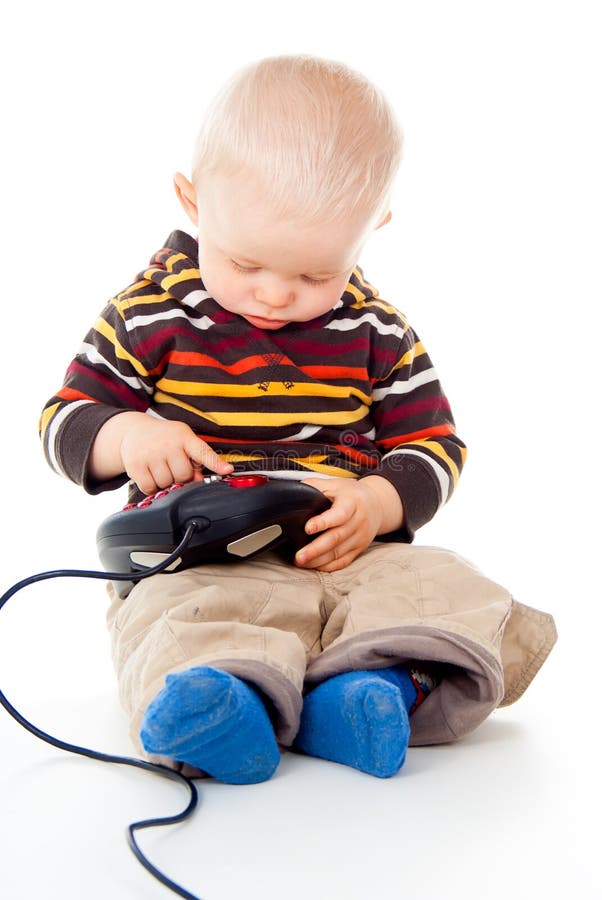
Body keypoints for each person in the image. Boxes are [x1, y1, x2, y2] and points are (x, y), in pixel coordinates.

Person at [40, 55, 556, 784]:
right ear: (193, 202)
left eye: (316, 274)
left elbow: (433, 443)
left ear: (370, 226)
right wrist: (128, 438)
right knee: (184, 617)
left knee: (451, 590)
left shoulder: (378, 330)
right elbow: (66, 420)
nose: (276, 294)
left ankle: (363, 693)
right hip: (205, 558)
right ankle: (226, 704)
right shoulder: (150, 312)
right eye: (245, 261)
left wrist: (379, 502)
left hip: (351, 553)